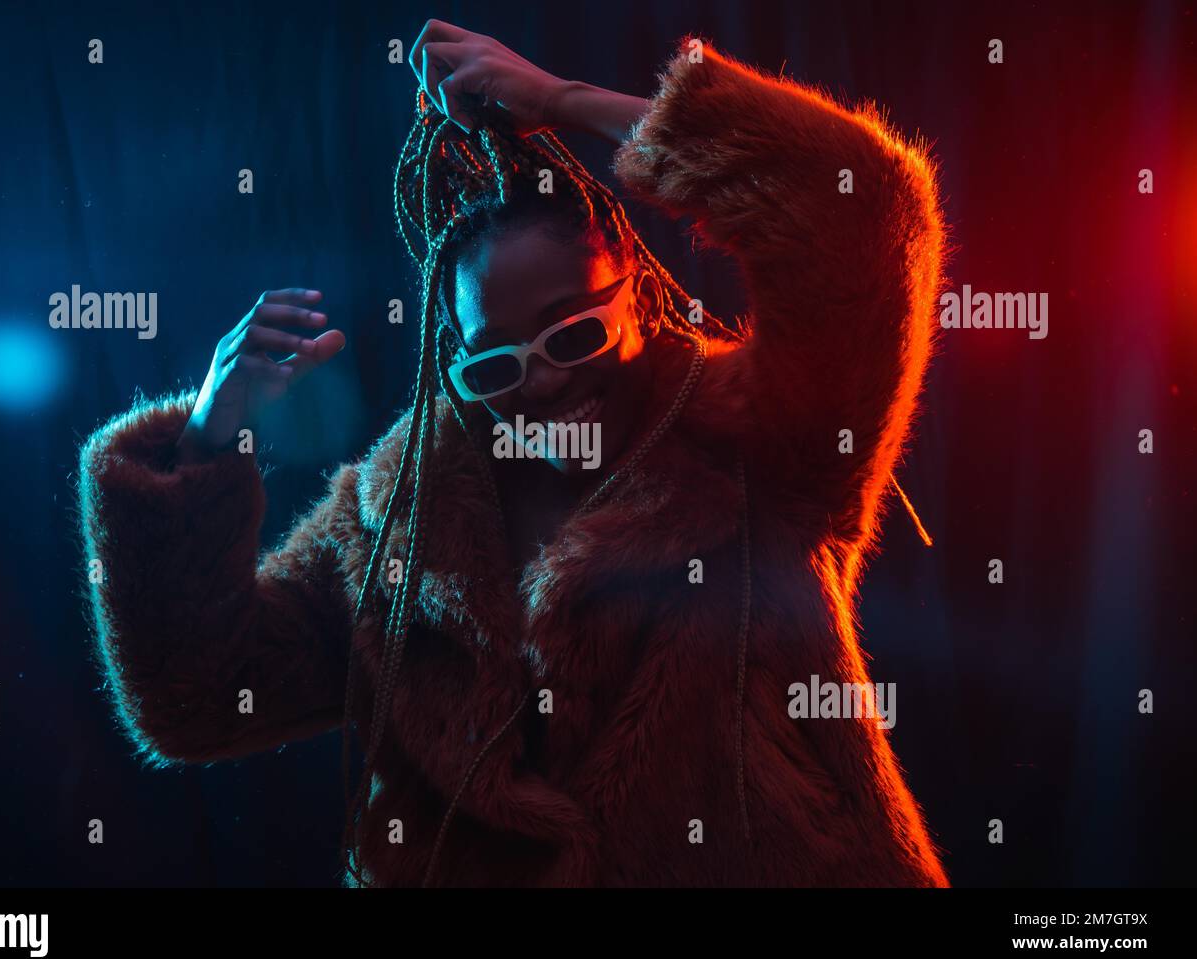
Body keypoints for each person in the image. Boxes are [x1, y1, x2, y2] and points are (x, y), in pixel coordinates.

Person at [78, 20, 949, 887]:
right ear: (453, 366)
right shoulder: (397, 528)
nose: (539, 384)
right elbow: (197, 698)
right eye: (495, 363)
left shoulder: (766, 442)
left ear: (638, 296)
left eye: (573, 336)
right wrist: (204, 433)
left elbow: (865, 210)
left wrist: (567, 103)